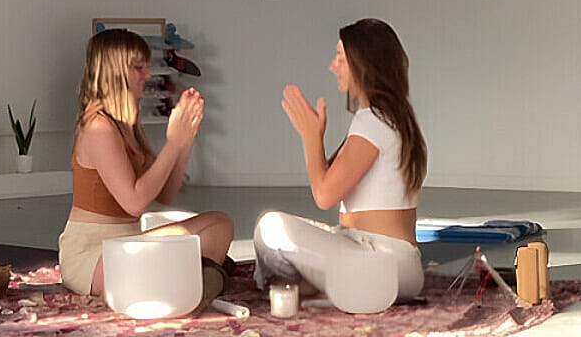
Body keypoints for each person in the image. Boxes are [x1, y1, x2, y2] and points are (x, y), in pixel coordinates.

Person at [253, 18, 428, 314]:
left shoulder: (372, 121)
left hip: (375, 263)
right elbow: (333, 182)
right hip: (397, 266)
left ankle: (313, 289)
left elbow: (323, 195)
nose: (333, 66)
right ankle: (326, 290)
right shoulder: (395, 118)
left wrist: (310, 137)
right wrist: (317, 136)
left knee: (270, 227)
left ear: (364, 64)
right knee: (291, 229)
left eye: (341, 57)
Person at [58, 28, 234, 306]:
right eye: (138, 67)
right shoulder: (98, 127)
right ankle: (201, 281)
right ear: (115, 73)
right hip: (92, 257)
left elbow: (165, 193)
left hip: (126, 243)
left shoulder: (127, 126)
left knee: (219, 223)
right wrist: (172, 145)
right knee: (201, 237)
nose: (148, 75)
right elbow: (134, 203)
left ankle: (196, 281)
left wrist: (185, 140)